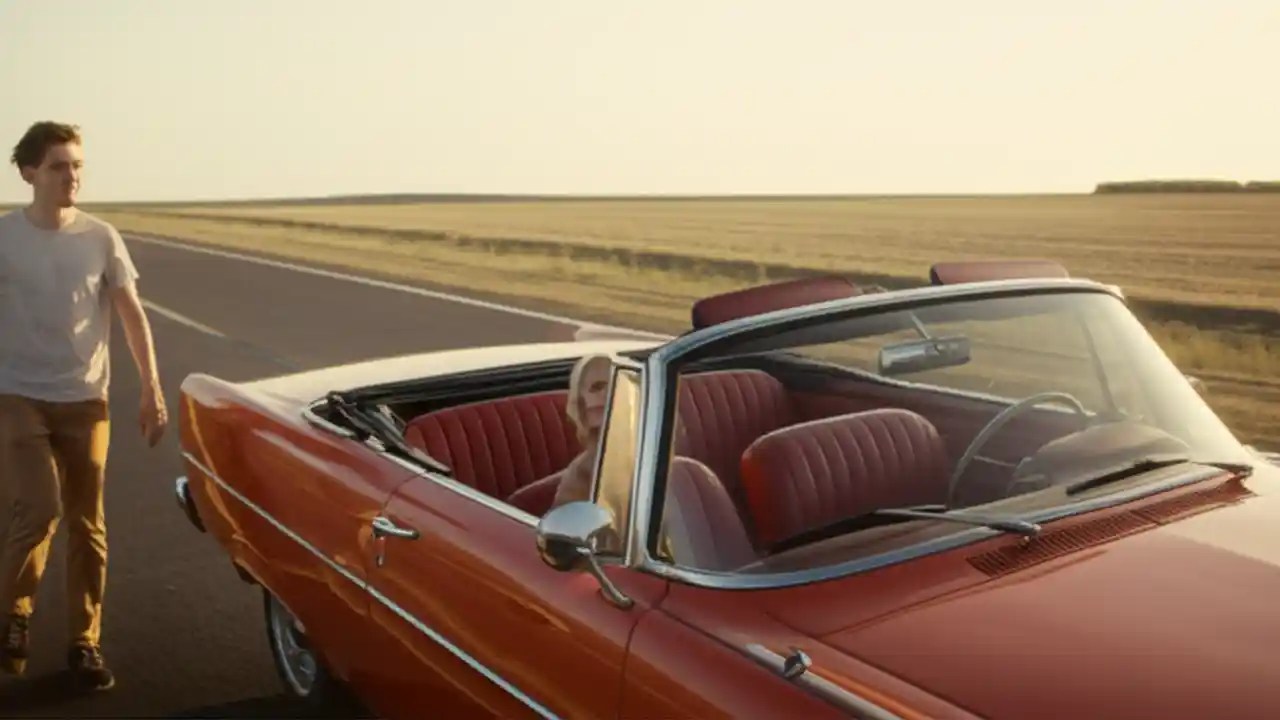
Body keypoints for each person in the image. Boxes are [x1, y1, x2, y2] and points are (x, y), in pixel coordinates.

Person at [0, 121, 167, 691]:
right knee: (38, 510)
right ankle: (13, 614)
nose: (71, 176)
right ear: (29, 173)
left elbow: (131, 314)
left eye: (76, 165)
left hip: (85, 400)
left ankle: (84, 642)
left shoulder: (101, 237)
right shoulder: (5, 238)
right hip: (18, 396)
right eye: (58, 166)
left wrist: (151, 387)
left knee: (87, 524)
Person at [549, 354, 612, 508]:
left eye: (617, 386)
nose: (607, 394)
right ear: (580, 403)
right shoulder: (580, 474)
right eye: (597, 387)